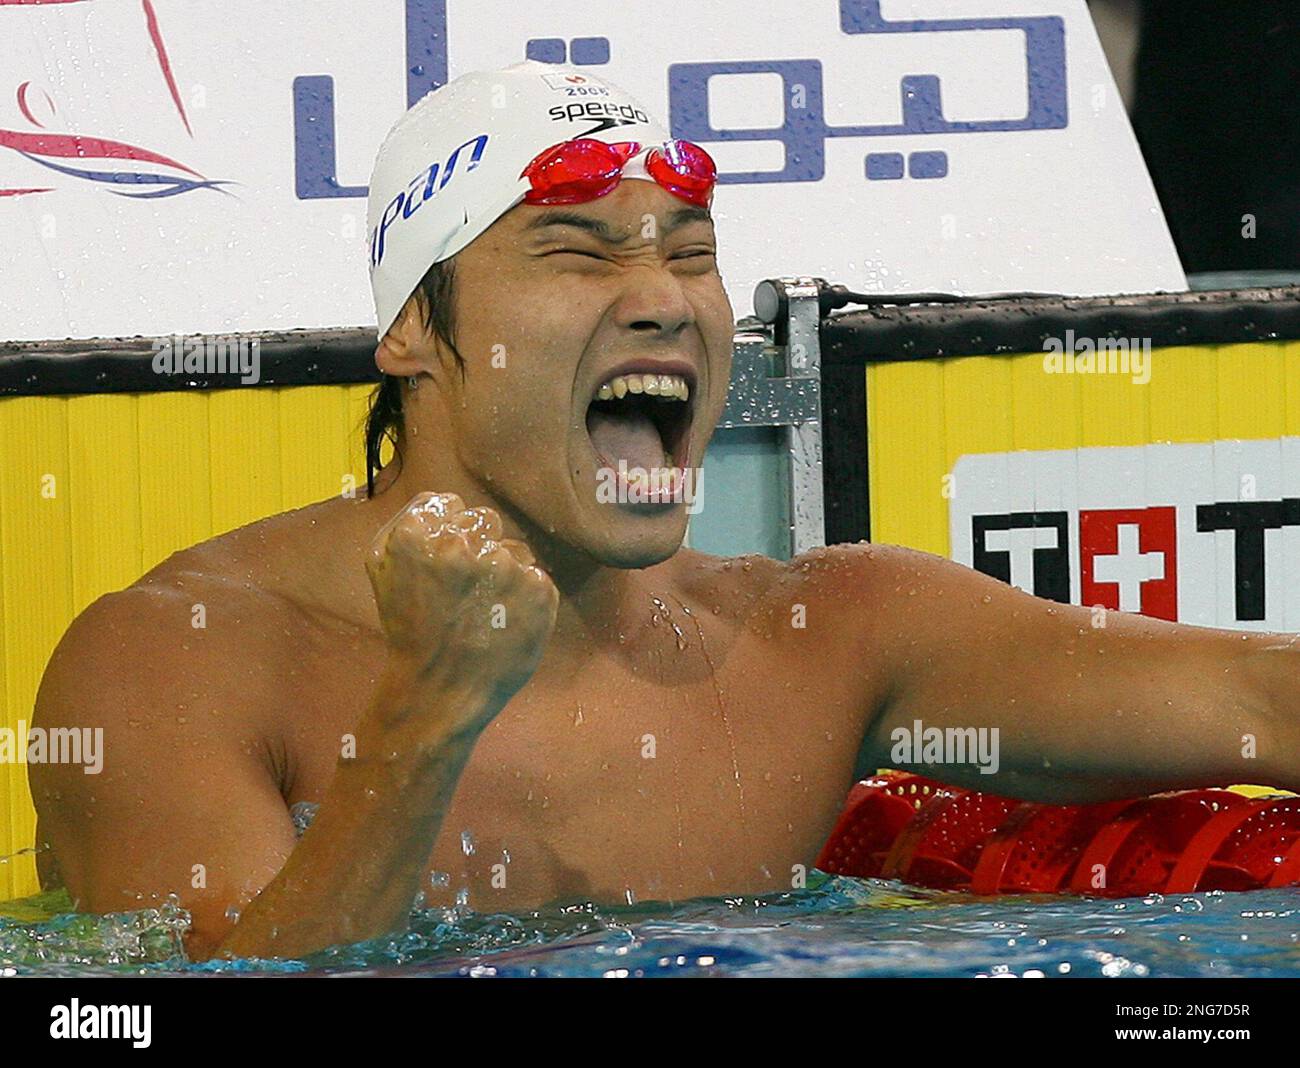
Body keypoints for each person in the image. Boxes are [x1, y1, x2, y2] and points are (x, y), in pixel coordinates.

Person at [28, 61, 1300, 963]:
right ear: (415, 327)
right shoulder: (172, 660)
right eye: (577, 252)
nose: (661, 298)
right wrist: (429, 713)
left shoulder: (827, 636)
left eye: (689, 253)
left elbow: (1257, 699)